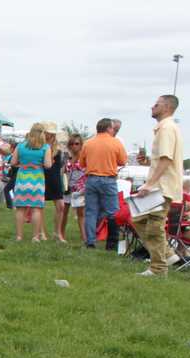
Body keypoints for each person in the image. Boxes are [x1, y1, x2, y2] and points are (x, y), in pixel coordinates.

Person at [132, 95, 184, 277]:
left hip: (162, 187)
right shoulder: (166, 128)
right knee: (138, 220)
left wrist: (149, 184)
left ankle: (158, 267)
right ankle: (167, 254)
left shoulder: (167, 128)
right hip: (159, 186)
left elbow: (166, 159)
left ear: (167, 107)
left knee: (155, 225)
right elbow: (162, 159)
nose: (152, 107)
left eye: (157, 104)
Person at [79, 118, 128, 249]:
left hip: (92, 179)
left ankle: (90, 242)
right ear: (108, 128)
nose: (114, 130)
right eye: (113, 128)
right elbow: (123, 161)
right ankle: (111, 244)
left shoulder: (88, 143)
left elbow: (82, 163)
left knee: (91, 212)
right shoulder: (115, 142)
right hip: (108, 179)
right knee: (113, 212)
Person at [11, 122, 52, 242]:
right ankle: (35, 236)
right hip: (37, 180)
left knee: (20, 209)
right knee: (36, 209)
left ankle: (19, 236)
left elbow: (13, 162)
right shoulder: (45, 147)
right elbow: (48, 165)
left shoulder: (20, 146)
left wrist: (23, 164)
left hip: (22, 179)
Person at [56, 134, 86, 243]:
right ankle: (61, 235)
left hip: (80, 188)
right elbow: (62, 171)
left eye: (77, 144)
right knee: (64, 212)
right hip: (67, 187)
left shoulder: (84, 157)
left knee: (81, 214)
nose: (74, 146)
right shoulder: (66, 157)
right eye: (72, 144)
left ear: (81, 144)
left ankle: (84, 238)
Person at [40, 123, 65, 242]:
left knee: (61, 206)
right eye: (49, 132)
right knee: (40, 206)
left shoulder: (57, 148)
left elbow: (60, 166)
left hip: (55, 179)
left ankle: (57, 233)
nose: (51, 135)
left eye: (52, 133)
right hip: (42, 177)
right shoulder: (40, 147)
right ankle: (41, 232)